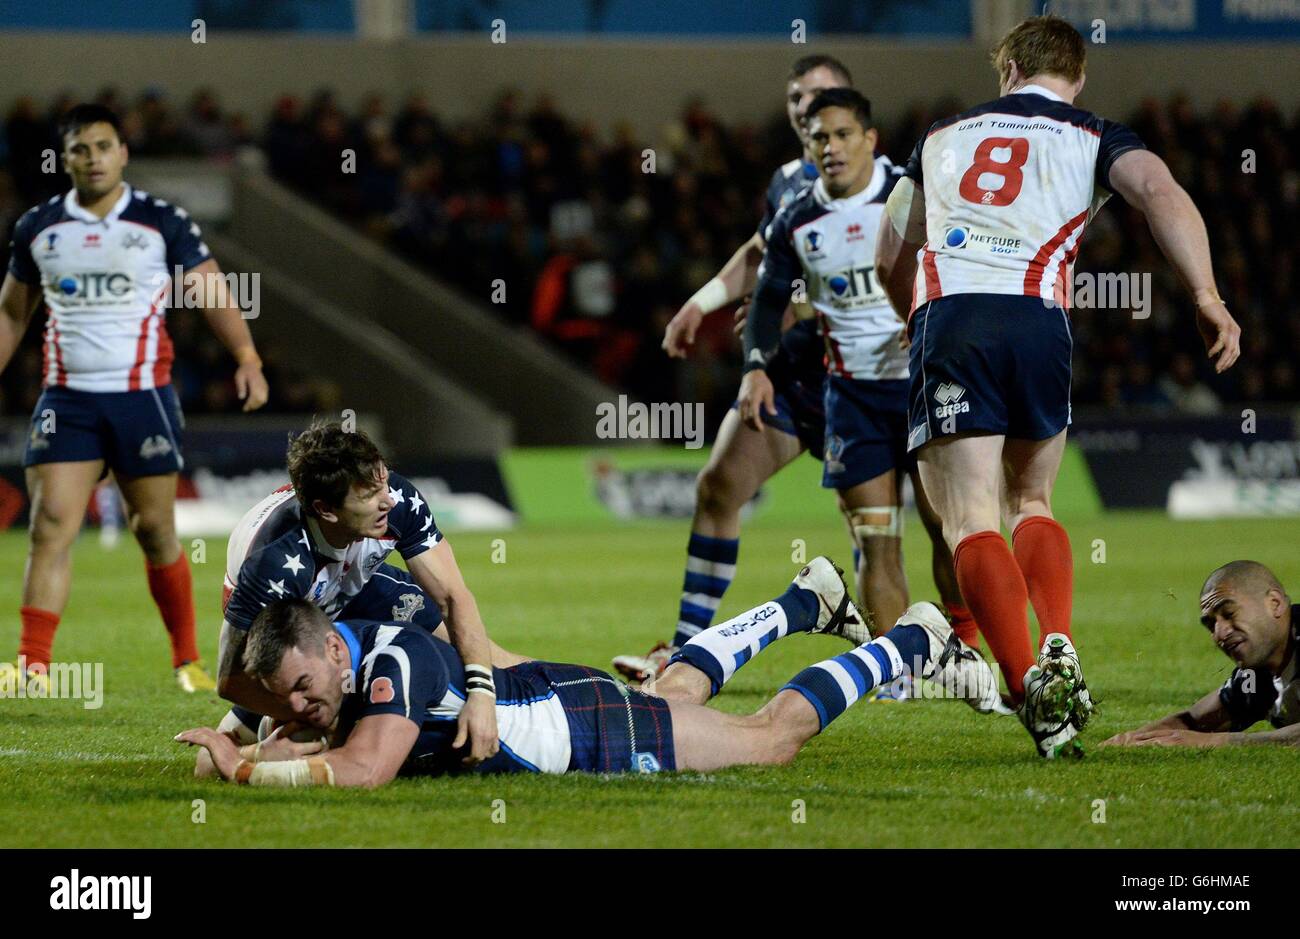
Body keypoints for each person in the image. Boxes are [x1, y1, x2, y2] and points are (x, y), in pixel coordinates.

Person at [874, 15, 1242, 756]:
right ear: (1076, 76)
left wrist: (907, 316)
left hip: (957, 315)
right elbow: (1161, 192)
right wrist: (1205, 292)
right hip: (1042, 322)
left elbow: (893, 247)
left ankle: (1028, 692)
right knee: (1031, 500)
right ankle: (1060, 640)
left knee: (970, 518)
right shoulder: (1094, 133)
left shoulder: (941, 135)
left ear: (1008, 68)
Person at [615, 56, 978, 685]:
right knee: (720, 485)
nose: (808, 110)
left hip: (897, 376)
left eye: (822, 101)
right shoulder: (789, 191)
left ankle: (966, 655)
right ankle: (681, 648)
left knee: (940, 528)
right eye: (798, 101)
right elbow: (761, 263)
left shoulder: (906, 185)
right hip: (809, 375)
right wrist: (705, 307)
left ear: (860, 123)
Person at [177, 557, 1000, 786]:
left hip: (580, 733)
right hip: (557, 699)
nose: (295, 707)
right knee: (670, 691)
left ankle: (913, 639)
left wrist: (250, 771)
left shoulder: (392, 660)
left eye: (301, 689)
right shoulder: (337, 658)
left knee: (766, 742)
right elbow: (302, 735)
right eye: (286, 697)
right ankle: (802, 598)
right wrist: (244, 740)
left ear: (331, 649)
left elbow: (361, 769)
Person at [0, 104, 269, 692]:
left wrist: (246, 356)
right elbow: (12, 313)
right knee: (49, 525)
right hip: (67, 400)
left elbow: (209, 286)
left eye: (103, 146)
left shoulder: (160, 221)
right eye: (80, 148)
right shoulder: (38, 227)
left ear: (122, 153)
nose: (92, 158)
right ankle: (34, 667)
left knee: (154, 530)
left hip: (142, 400)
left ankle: (186, 661)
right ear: (65, 158)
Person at [213, 421, 508, 764]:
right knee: (222, 756)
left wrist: (482, 694)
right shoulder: (274, 564)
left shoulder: (397, 499)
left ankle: (576, 687)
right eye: (368, 495)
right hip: (298, 621)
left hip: (359, 586)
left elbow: (452, 598)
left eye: (382, 482)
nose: (386, 501)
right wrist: (318, 717)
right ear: (326, 509)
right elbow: (230, 680)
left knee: (493, 666)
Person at [1102, 561, 1300, 748]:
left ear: (1274, 603)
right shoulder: (1256, 675)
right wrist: (1130, 740)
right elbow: (1192, 721)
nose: (1219, 633)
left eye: (1229, 613)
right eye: (1210, 624)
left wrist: (1218, 741)